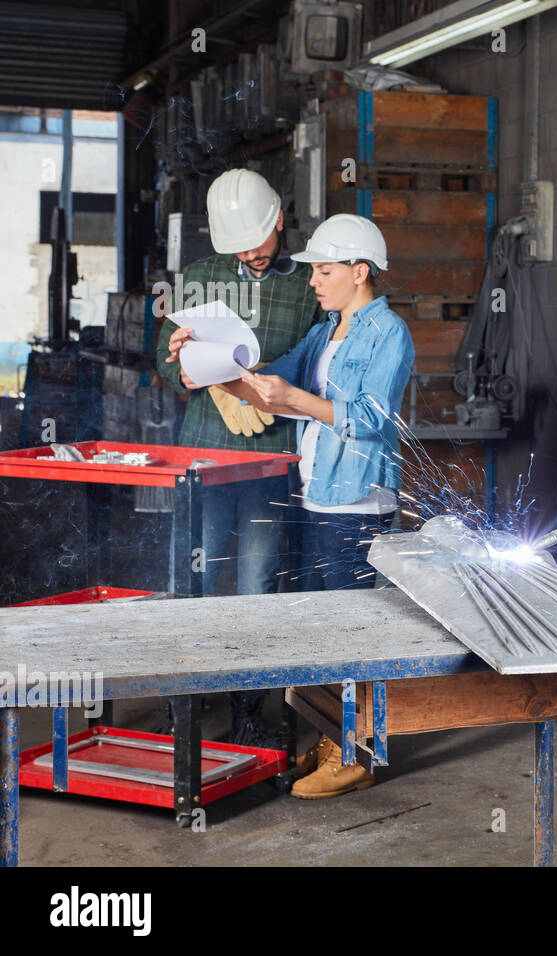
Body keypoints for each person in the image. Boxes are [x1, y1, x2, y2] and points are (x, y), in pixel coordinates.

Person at [172, 213, 414, 799]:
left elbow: (375, 423)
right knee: (325, 626)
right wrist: (207, 364)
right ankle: (335, 739)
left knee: (354, 627)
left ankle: (359, 754)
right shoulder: (326, 332)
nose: (314, 280)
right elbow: (270, 385)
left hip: (358, 500)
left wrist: (298, 398)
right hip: (319, 492)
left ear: (360, 272)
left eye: (325, 270)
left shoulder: (390, 334)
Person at [156, 168, 322, 744]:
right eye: (238, 245)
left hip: (271, 458)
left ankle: (249, 710)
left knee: (256, 582)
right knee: (190, 580)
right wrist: (189, 368)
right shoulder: (200, 276)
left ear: (279, 219)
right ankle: (185, 702)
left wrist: (262, 386)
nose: (250, 252)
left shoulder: (308, 284)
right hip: (203, 458)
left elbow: (323, 366)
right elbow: (162, 361)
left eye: (259, 238)